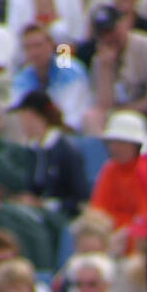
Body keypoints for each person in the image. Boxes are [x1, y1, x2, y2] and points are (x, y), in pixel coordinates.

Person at [9, 89, 90, 218]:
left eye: (23, 117)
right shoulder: (32, 150)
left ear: (34, 117)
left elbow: (80, 198)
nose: (22, 124)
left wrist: (45, 205)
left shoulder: (66, 150)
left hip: (59, 218)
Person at [10, 24, 91, 131]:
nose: (34, 52)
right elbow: (19, 114)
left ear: (51, 45)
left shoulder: (71, 71)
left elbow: (72, 117)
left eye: (38, 45)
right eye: (28, 47)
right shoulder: (20, 79)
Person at [89, 110, 147, 233]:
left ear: (136, 145)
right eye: (112, 143)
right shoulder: (109, 169)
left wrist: (125, 233)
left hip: (136, 240)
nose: (114, 148)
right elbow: (98, 211)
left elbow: (145, 217)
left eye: (121, 143)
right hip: (108, 235)